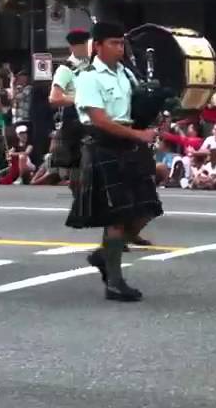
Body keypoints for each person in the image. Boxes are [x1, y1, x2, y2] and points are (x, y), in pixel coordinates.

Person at [65, 21, 163, 302]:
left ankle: (103, 255)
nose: (120, 48)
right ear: (97, 46)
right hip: (105, 145)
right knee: (117, 217)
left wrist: (154, 103)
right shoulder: (87, 77)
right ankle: (115, 283)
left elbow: (137, 106)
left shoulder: (126, 73)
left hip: (130, 144)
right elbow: (100, 120)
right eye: (114, 43)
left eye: (122, 43)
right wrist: (138, 134)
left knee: (147, 209)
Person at [48, 28, 92, 188]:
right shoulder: (65, 69)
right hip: (76, 120)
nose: (87, 48)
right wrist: (79, 99)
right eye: (83, 45)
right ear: (73, 47)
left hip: (96, 117)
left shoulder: (94, 66)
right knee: (78, 165)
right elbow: (54, 98)